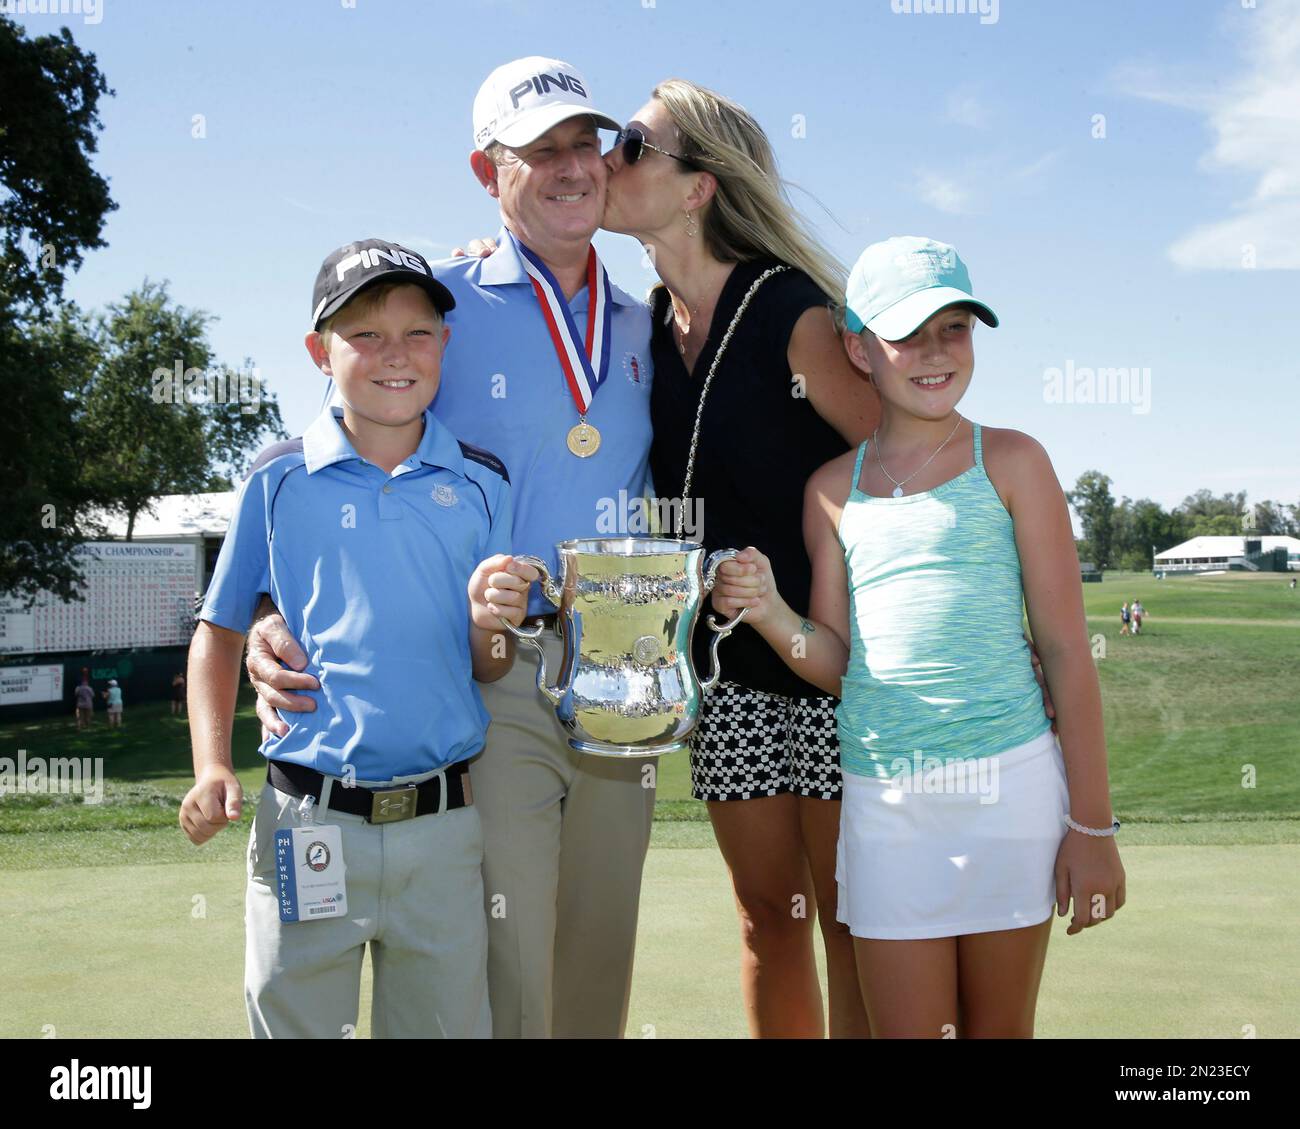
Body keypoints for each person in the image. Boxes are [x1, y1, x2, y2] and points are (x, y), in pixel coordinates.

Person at [241, 59, 658, 1038]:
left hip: (623, 664)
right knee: (512, 945)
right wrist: (268, 612)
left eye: (583, 144)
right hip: (494, 665)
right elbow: (326, 463)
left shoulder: (649, 323)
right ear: (487, 171)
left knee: (602, 941)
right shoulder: (441, 305)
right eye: (538, 150)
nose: (570, 167)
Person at [713, 236, 1125, 1037]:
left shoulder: (1013, 461)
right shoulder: (832, 490)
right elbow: (840, 666)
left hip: (1010, 792)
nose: (936, 353)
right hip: (886, 802)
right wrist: (771, 613)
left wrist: (1095, 827)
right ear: (860, 347)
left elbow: (1069, 652)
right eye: (909, 333)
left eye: (957, 329)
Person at [178, 239, 535, 1038]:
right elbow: (220, 629)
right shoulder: (276, 479)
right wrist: (209, 764)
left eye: (417, 332)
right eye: (364, 335)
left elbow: (492, 661)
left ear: (446, 344)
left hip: (442, 826)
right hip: (311, 821)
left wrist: (490, 623)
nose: (394, 355)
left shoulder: (483, 482)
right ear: (319, 351)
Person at [599, 80, 880, 1037]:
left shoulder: (791, 312)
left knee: (852, 918)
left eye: (631, 143)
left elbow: (900, 462)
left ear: (697, 187)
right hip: (727, 678)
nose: (606, 157)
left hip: (840, 666)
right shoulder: (643, 323)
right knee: (769, 916)